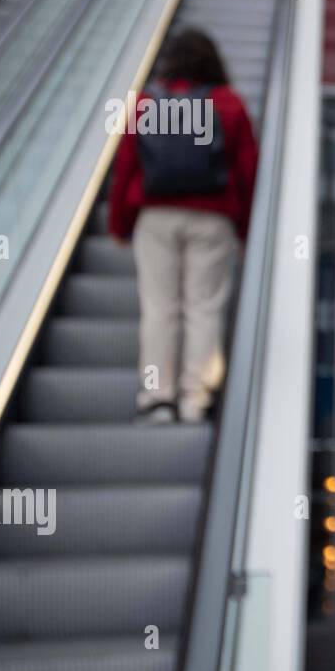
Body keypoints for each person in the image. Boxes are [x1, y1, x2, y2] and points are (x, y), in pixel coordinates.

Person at [108, 29, 258, 424]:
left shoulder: (145, 105)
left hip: (155, 218)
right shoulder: (228, 104)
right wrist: (245, 230)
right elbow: (248, 172)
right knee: (203, 307)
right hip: (213, 218)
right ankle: (196, 398)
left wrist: (120, 224)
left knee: (159, 307)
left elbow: (126, 168)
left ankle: (158, 397)